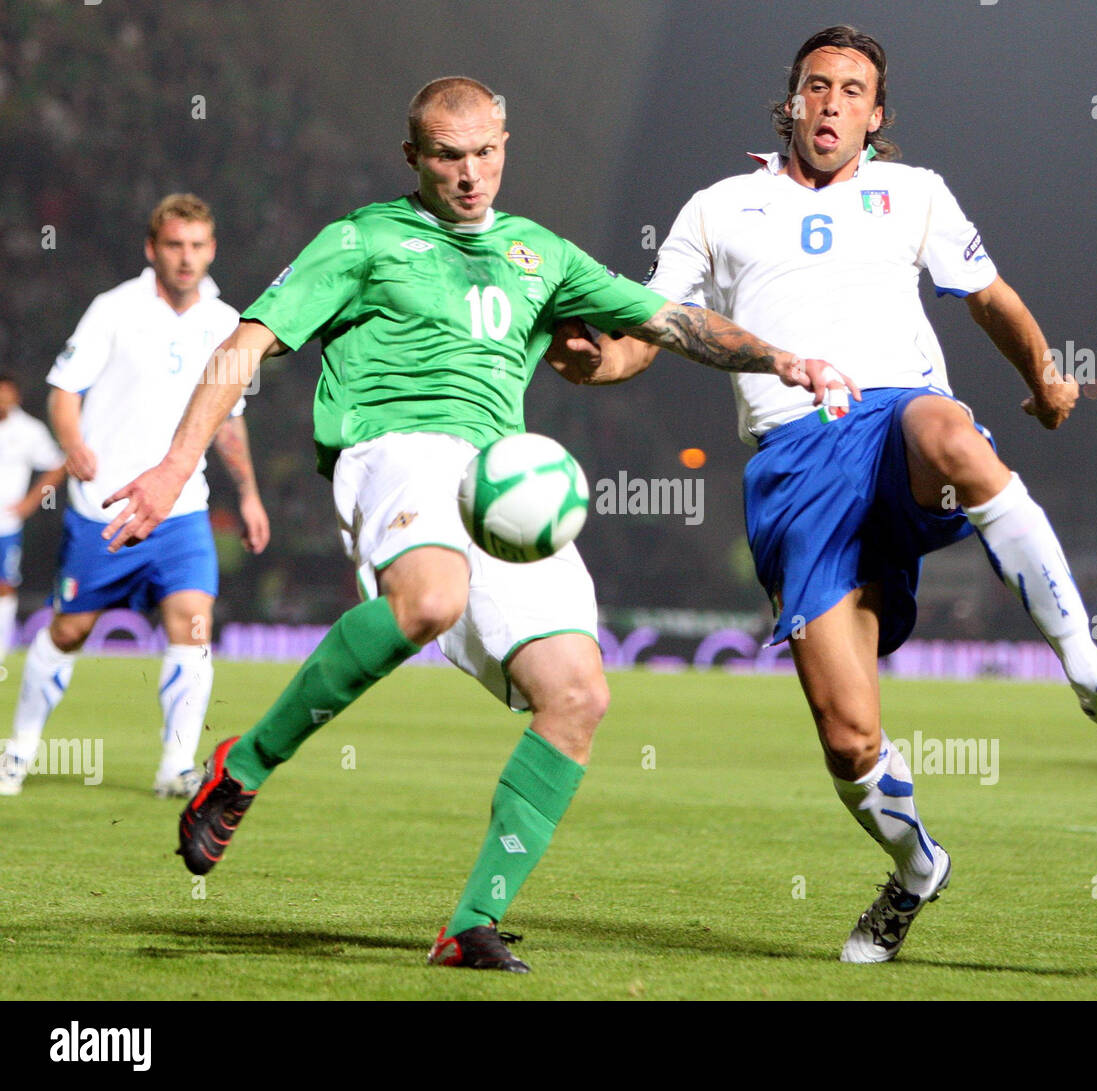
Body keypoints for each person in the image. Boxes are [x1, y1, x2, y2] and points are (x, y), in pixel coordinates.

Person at [100, 77, 841, 974]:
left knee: (579, 695)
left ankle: (470, 923)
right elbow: (243, 345)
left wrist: (784, 358)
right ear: (413, 157)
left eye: (484, 151)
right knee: (431, 596)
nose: (468, 173)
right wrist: (181, 463)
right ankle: (245, 763)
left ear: (504, 147)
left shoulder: (541, 253)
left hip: (505, 474)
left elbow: (672, 322)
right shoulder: (362, 239)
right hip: (395, 448)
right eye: (447, 156)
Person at [549, 25, 1097, 963]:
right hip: (794, 467)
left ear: (876, 115)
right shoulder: (722, 206)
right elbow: (654, 327)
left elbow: (988, 298)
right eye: (817, 86)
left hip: (895, 418)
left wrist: (1045, 375)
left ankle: (1091, 669)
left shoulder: (915, 194)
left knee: (948, 428)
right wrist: (596, 361)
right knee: (851, 740)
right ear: (791, 101)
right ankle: (916, 869)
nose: (832, 104)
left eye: (853, 91)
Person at [0, 195, 270, 799]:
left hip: (182, 509)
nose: (186, 258)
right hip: (106, 504)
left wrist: (249, 493)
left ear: (212, 250)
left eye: (198, 246)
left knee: (192, 625)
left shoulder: (228, 323)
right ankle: (16, 751)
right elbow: (64, 392)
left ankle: (175, 765)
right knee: (69, 630)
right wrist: (73, 445)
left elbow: (227, 420)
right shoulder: (114, 309)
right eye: (175, 245)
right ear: (153, 249)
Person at [0, 375, 66, 664]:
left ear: (17, 397)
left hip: (5, 524)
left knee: (4, 585)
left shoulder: (29, 430)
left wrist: (32, 502)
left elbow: (56, 467)